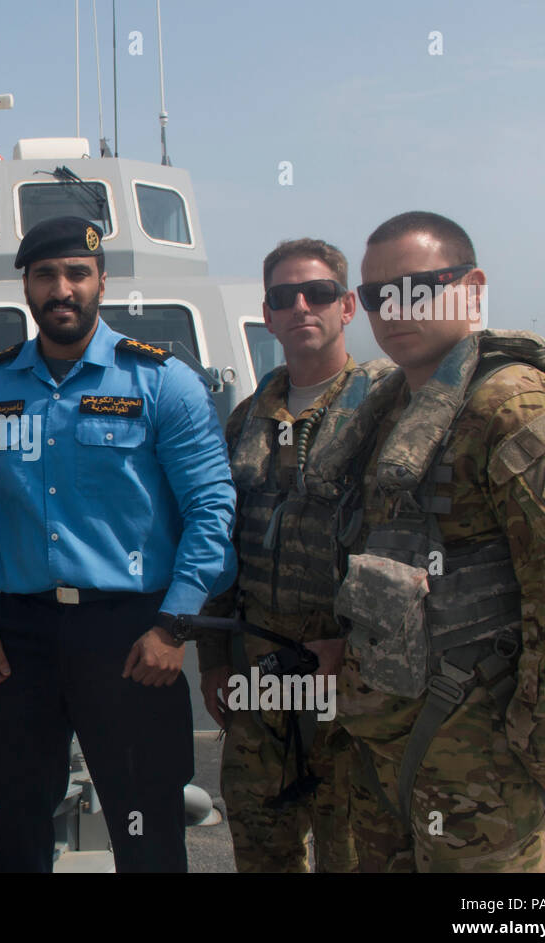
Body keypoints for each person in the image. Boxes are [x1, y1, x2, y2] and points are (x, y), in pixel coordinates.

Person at [333, 211, 545, 871]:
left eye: (416, 286)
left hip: (480, 767)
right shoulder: (392, 411)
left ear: (472, 287)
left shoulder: (521, 411)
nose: (393, 308)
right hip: (387, 742)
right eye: (379, 294)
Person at [0, 216, 237, 872]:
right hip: (20, 633)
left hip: (132, 633)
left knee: (147, 823)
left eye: (77, 274)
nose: (63, 289)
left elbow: (211, 508)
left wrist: (174, 625)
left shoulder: (161, 383)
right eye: (46, 275)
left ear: (101, 284)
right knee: (20, 821)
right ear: (25, 286)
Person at [196, 239, 391, 872]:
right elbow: (220, 548)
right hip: (260, 667)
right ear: (269, 314)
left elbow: (417, 552)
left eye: (318, 293)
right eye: (284, 297)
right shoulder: (247, 420)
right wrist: (214, 660)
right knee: (260, 839)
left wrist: (357, 649)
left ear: (348, 306)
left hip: (354, 677)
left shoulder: (390, 411)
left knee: (355, 847)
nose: (301, 306)